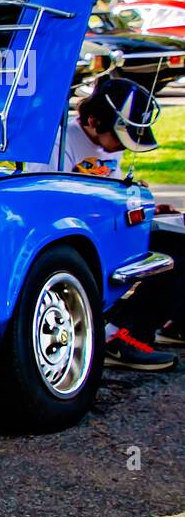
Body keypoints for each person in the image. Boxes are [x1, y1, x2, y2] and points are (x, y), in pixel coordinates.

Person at [31, 77, 181, 370]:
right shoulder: (59, 144)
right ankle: (119, 337)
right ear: (93, 121)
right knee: (175, 253)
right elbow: (51, 206)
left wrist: (148, 206)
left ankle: (175, 324)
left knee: (179, 236)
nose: (119, 148)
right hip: (85, 237)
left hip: (114, 226)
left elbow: (114, 186)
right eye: (119, 136)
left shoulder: (109, 144)